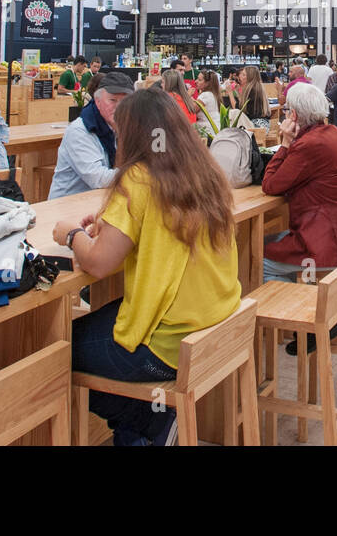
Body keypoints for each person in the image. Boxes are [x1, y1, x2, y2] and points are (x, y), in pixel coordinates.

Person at [53, 89, 238, 446]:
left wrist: (71, 233)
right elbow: (159, 227)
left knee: (52, 353)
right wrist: (113, 224)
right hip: (212, 326)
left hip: (165, 346)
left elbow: (98, 262)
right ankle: (139, 433)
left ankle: (149, 423)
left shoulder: (138, 178)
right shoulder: (204, 173)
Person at [261, 83, 337, 353]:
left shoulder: (307, 145)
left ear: (293, 116)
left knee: (261, 258)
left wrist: (285, 143)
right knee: (275, 243)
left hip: (327, 247)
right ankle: (316, 315)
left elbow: (271, 185)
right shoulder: (334, 134)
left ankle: (311, 321)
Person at [49, 71, 136, 198]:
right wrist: (139, 174)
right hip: (67, 207)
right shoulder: (80, 130)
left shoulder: (125, 127)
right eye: (113, 100)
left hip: (101, 203)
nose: (119, 107)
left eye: (125, 101)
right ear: (98, 101)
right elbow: (98, 178)